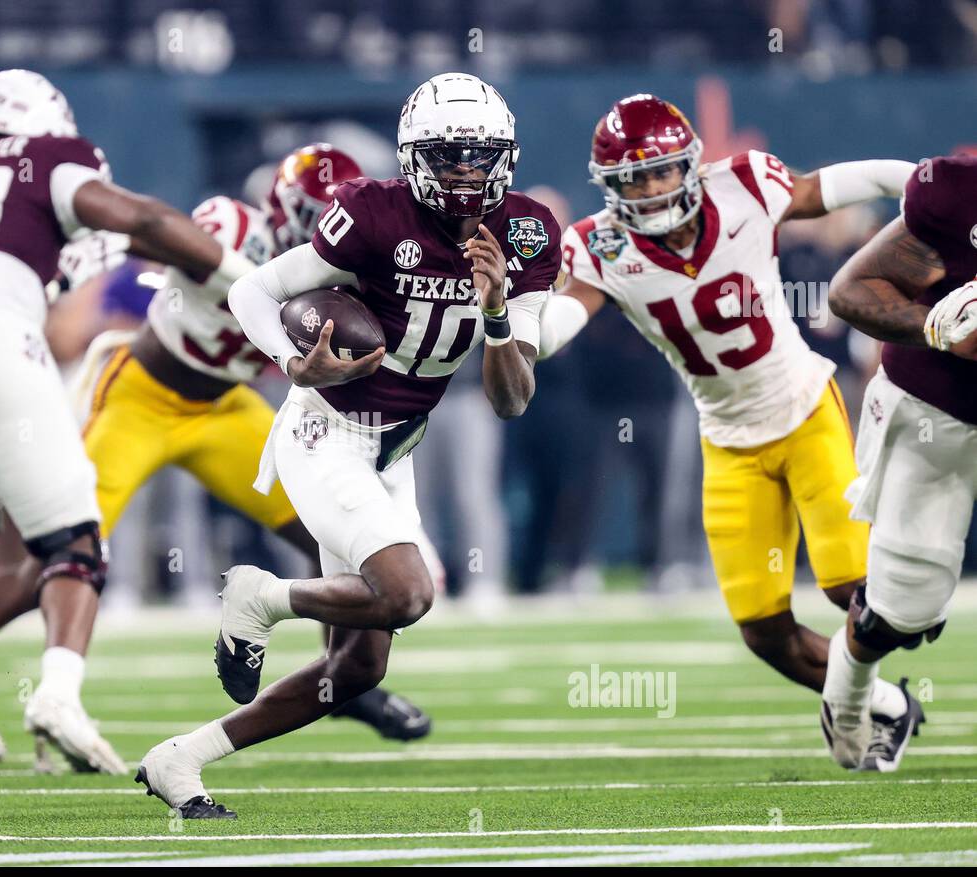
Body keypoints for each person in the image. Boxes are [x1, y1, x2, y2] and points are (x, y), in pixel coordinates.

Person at [0, 144, 432, 766]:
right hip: (140, 398)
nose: (330, 233)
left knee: (336, 537)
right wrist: (225, 271)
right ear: (285, 208)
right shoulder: (230, 226)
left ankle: (342, 676)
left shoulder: (350, 269)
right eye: (318, 216)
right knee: (53, 555)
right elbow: (139, 239)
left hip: (225, 408)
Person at [136, 72, 560, 818]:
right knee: (408, 593)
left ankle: (182, 758)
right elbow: (251, 292)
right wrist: (291, 361)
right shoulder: (372, 214)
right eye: (449, 153)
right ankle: (260, 596)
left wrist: (496, 311)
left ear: (506, 156)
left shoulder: (527, 235)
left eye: (479, 154)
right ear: (415, 156)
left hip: (397, 449)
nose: (466, 169)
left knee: (356, 671)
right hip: (325, 431)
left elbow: (510, 399)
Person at [0, 70, 253, 772]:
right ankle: (58, 693)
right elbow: (146, 222)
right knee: (73, 541)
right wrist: (249, 282)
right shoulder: (53, 162)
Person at [536, 94, 922, 770]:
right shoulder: (600, 245)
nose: (651, 189)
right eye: (633, 179)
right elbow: (558, 325)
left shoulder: (743, 184)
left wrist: (923, 180)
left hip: (802, 406)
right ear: (610, 189)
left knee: (852, 591)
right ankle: (888, 705)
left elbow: (831, 186)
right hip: (728, 439)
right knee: (764, 632)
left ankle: (856, 695)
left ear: (689, 167)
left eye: (660, 172)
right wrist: (517, 330)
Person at [821, 154, 977, 770]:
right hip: (936, 410)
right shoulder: (959, 193)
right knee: (905, 611)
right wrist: (938, 327)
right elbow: (849, 290)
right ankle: (852, 687)